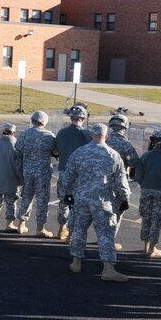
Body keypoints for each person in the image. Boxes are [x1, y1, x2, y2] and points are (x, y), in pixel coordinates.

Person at [59, 123, 131, 282]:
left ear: (91, 135)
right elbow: (121, 181)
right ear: (106, 136)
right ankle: (108, 268)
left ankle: (76, 262)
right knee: (106, 234)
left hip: (82, 198)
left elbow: (67, 177)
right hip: (103, 200)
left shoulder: (79, 153)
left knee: (79, 229)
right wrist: (125, 198)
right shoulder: (113, 155)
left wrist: (67, 194)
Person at [13, 110, 58, 237]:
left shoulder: (25, 134)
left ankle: (21, 223)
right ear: (44, 122)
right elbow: (55, 152)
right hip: (43, 173)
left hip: (27, 171)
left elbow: (18, 152)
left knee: (27, 197)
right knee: (42, 200)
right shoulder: (49, 135)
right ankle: (40, 228)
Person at [135, 129, 161, 257]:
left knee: (146, 217)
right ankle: (152, 247)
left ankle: (145, 245)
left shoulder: (146, 156)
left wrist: (145, 184)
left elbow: (138, 176)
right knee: (156, 219)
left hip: (146, 189)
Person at [54, 103, 90, 240]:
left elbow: (56, 150)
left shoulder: (62, 133)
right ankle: (71, 231)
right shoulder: (86, 134)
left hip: (63, 170)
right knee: (76, 204)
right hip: (79, 174)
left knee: (63, 201)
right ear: (83, 118)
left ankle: (61, 227)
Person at [106, 113, 140, 249]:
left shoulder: (104, 139)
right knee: (117, 213)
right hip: (118, 183)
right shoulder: (125, 144)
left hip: (99, 181)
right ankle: (109, 241)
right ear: (124, 127)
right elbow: (135, 161)